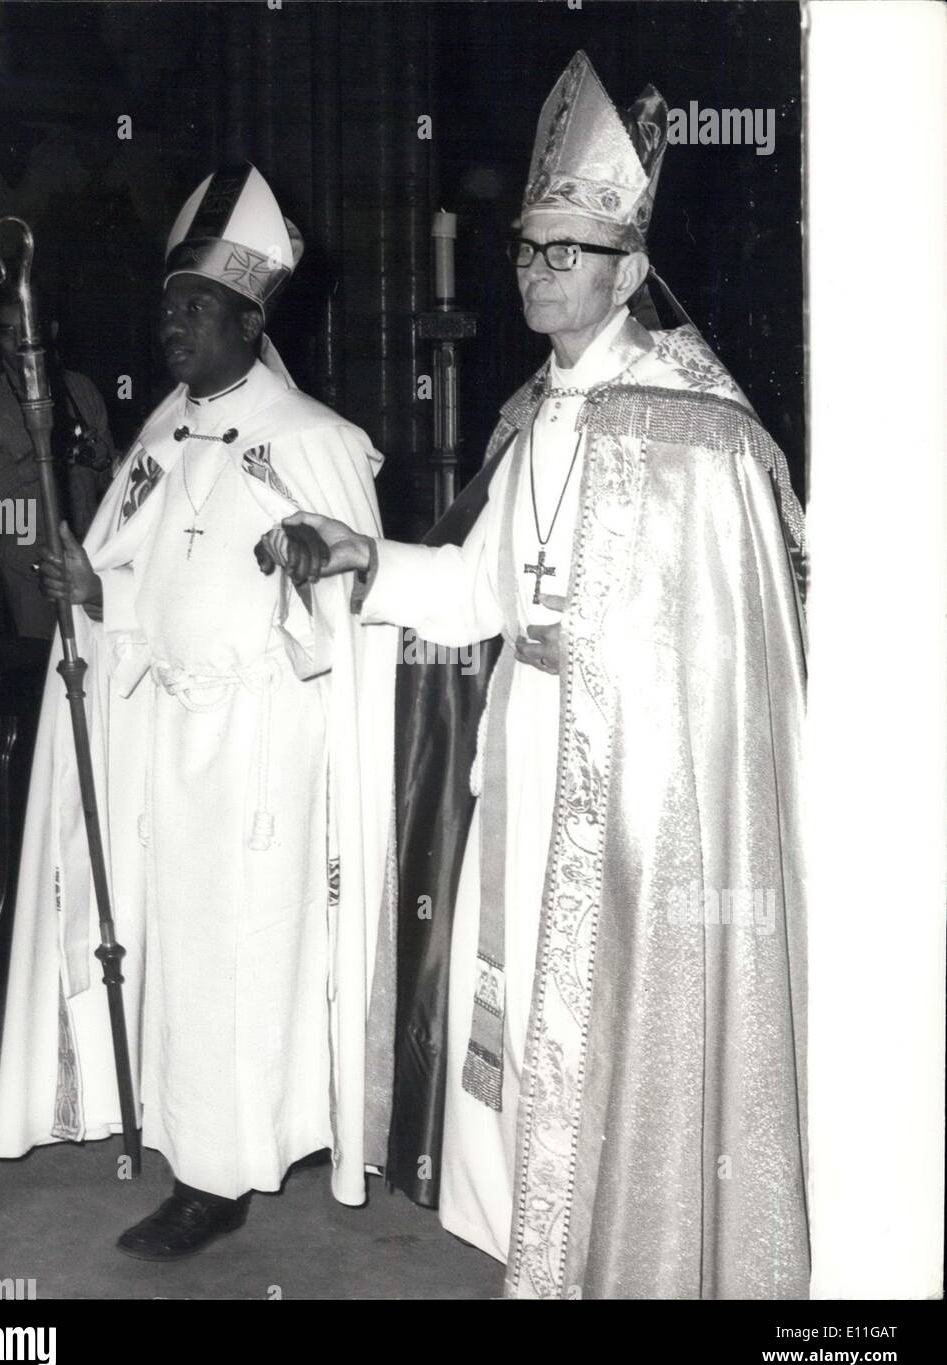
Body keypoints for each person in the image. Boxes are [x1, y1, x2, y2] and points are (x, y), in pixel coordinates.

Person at [260, 52, 809, 1299]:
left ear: (626, 270)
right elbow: (478, 595)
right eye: (526, 247)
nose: (534, 270)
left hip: (641, 801)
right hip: (531, 771)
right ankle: (549, 1254)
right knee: (527, 1032)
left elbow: (719, 667)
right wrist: (367, 556)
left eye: (563, 251)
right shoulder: (529, 415)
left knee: (624, 1032)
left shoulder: (695, 429)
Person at [0, 163, 397, 1261]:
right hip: (163, 732)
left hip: (257, 747)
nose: (173, 325)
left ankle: (214, 1177)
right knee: (170, 946)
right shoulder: (166, 427)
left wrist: (300, 592)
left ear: (249, 317)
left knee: (234, 957)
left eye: (197, 308)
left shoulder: (312, 439)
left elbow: (354, 619)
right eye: (168, 306)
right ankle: (186, 1136)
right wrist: (94, 591)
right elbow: (146, 573)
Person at [0, 290, 115, 639]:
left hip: (94, 565)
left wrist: (97, 456)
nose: (20, 341)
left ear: (50, 330)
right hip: (32, 576)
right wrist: (27, 469)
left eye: (28, 328)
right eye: (8, 331)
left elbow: (111, 480)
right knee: (46, 677)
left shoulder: (82, 389)